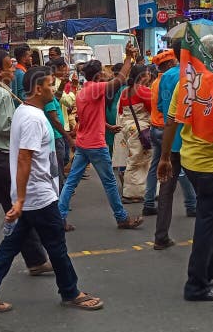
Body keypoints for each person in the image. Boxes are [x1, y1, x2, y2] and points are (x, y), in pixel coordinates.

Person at [0, 66, 103, 315]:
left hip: (33, 194)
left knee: (11, 246)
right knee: (56, 245)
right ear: (38, 89)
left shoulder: (26, 111)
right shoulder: (32, 118)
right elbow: (24, 158)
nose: (54, 89)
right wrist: (21, 199)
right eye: (50, 84)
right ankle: (71, 292)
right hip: (37, 195)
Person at [158, 35, 213, 302]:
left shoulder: (185, 82)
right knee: (209, 223)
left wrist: (165, 157)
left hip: (194, 160)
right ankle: (196, 284)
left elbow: (171, 121)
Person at [0, 51, 52, 278]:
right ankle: (36, 259)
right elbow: (4, 127)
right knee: (17, 208)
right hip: (0, 157)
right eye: (9, 66)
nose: (13, 69)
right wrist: (22, 123)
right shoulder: (3, 94)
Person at [58, 44, 144, 231]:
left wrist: (107, 126)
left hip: (84, 143)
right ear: (97, 76)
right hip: (95, 144)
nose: (107, 73)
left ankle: (60, 217)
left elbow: (89, 116)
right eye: (104, 71)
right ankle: (121, 218)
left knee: (71, 181)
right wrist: (128, 58)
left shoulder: (84, 91)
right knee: (110, 183)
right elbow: (120, 80)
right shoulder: (95, 88)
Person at [153, 40, 198, 250]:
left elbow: (160, 107)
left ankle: (160, 236)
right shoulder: (195, 77)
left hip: (170, 141)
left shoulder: (166, 77)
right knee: (211, 190)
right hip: (192, 141)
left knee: (166, 190)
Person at [144, 50, 177, 216]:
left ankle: (148, 202)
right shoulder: (168, 81)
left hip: (154, 128)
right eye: (175, 62)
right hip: (165, 129)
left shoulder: (156, 82)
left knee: (154, 166)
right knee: (178, 168)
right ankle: (192, 203)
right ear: (170, 64)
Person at [116, 65, 153, 202]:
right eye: (148, 73)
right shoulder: (144, 91)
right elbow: (153, 110)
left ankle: (140, 191)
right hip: (141, 129)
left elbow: (121, 111)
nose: (150, 76)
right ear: (143, 76)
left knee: (135, 158)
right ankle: (131, 193)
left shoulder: (125, 91)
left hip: (128, 129)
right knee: (138, 160)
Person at [45, 58, 74, 186]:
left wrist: (63, 84)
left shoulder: (51, 94)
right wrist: (68, 137)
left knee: (61, 164)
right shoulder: (47, 96)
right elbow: (55, 120)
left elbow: (57, 97)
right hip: (57, 135)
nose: (53, 79)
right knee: (58, 168)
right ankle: (61, 193)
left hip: (58, 135)